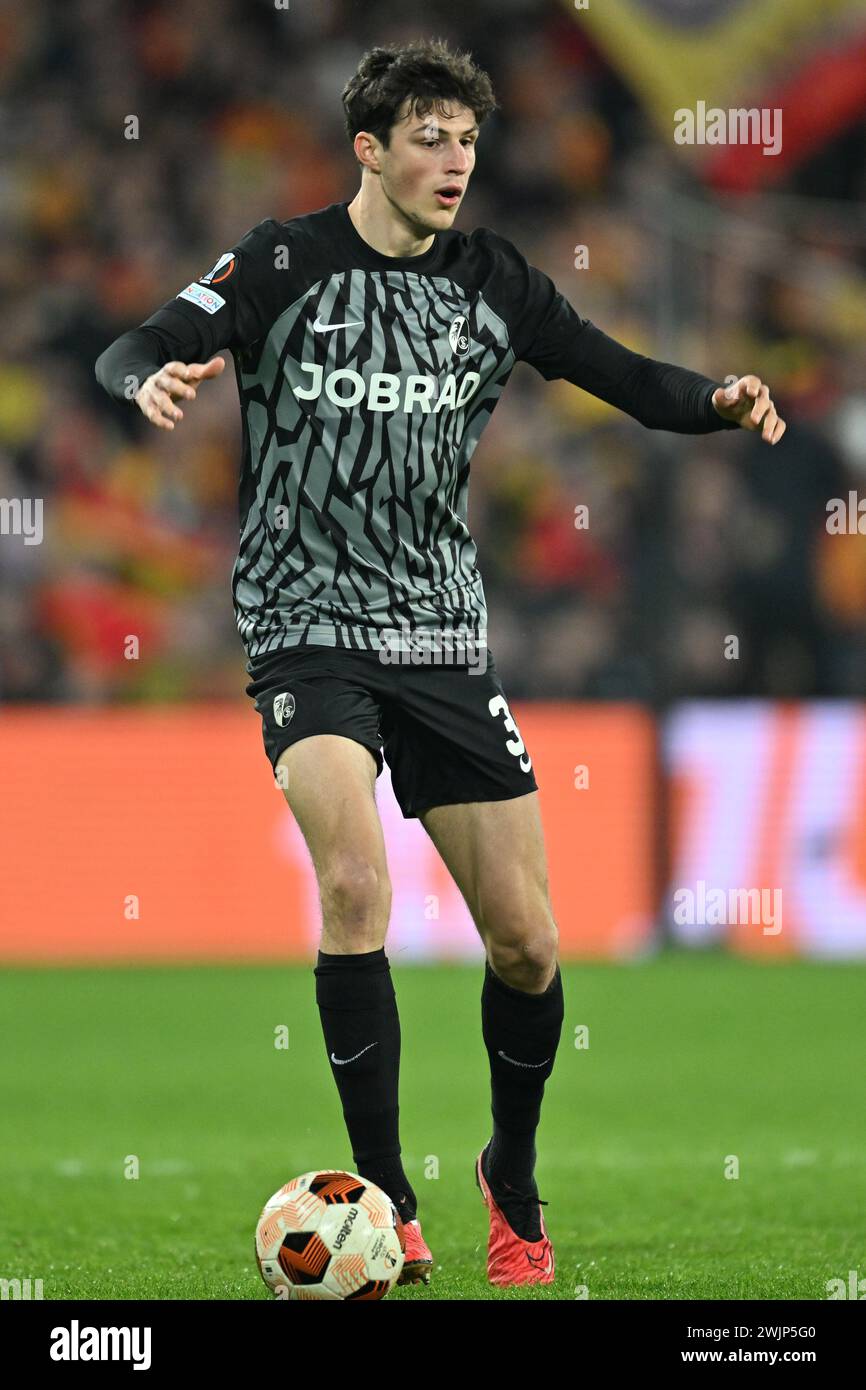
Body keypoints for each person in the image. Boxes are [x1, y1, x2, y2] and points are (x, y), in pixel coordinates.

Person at [95, 37, 786, 1290]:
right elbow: (133, 343)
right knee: (354, 885)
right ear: (368, 148)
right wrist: (150, 379)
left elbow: (620, 376)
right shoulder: (282, 261)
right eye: (427, 137)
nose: (453, 160)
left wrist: (716, 398)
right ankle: (388, 1200)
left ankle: (505, 1175)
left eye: (465, 139)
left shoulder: (493, 281)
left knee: (526, 944)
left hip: (441, 637)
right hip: (306, 623)